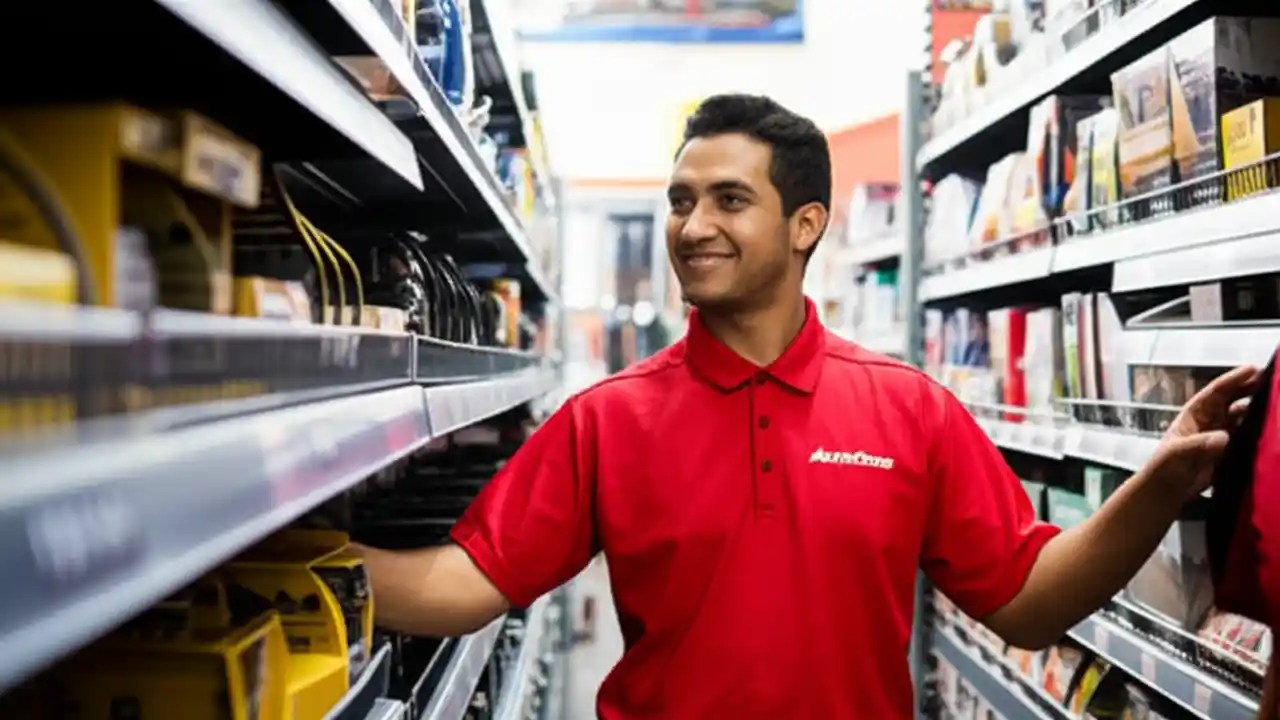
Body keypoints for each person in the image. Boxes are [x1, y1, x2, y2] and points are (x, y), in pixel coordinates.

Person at [355, 94, 1259, 719]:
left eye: (729, 200)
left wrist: (1162, 482)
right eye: (680, 201)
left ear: (806, 224)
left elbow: (1025, 603)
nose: (692, 224)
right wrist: (286, 564)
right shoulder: (609, 420)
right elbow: (465, 587)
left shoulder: (910, 411)